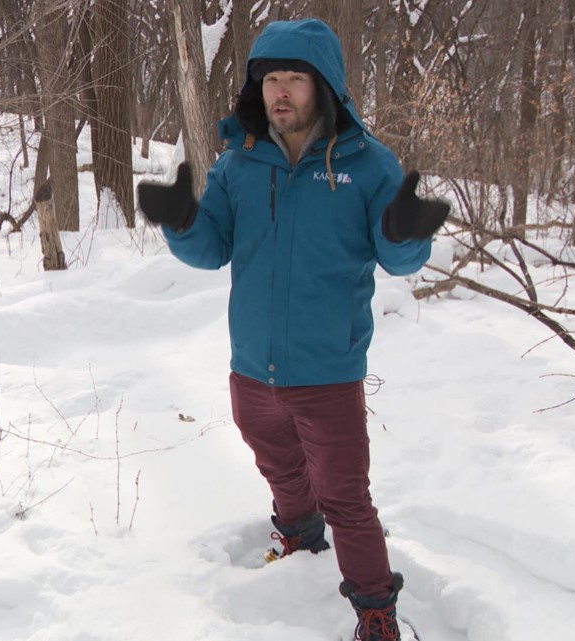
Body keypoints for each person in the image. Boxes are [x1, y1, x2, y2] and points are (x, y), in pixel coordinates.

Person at [137, 18, 449, 641]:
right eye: (271, 78)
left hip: (327, 371)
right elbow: (213, 247)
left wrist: (407, 232)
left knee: (347, 499)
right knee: (280, 469)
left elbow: (397, 257)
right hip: (253, 367)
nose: (280, 91)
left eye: (295, 79)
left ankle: (377, 615)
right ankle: (301, 538)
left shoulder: (368, 166)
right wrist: (182, 222)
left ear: (323, 86)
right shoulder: (240, 163)